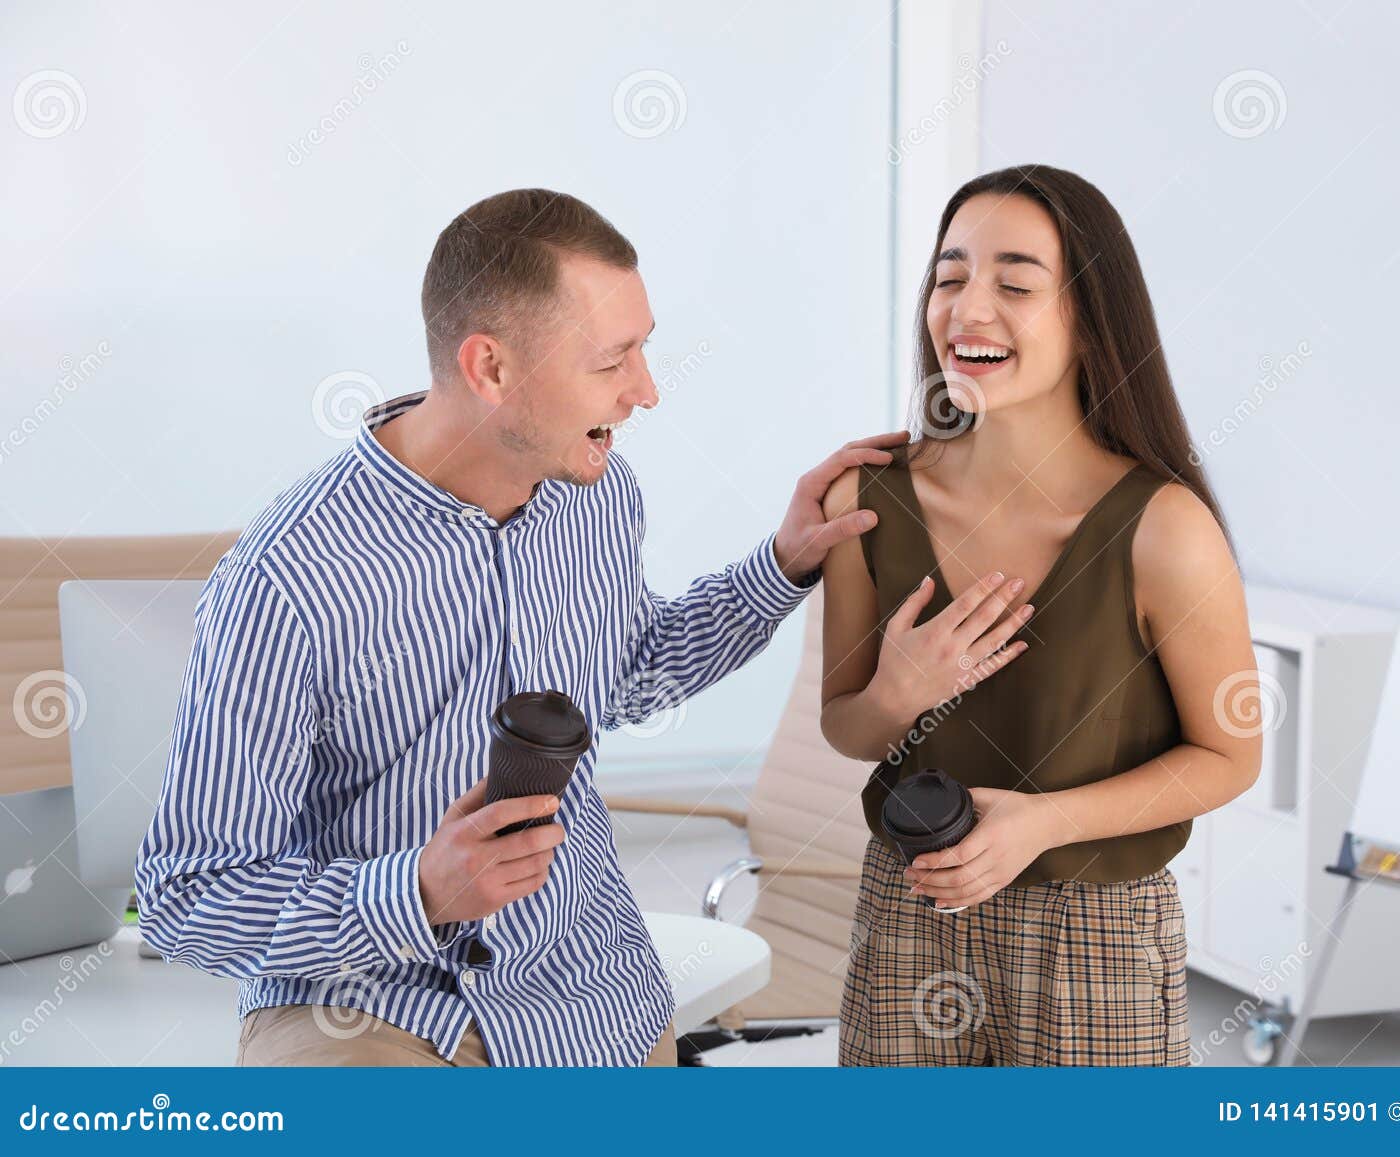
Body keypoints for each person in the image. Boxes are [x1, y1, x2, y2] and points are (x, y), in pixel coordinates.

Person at [135, 188, 904, 1067]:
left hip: (585, 995)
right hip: (371, 1008)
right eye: (614, 360)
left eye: (644, 349)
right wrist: (418, 892)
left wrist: (782, 564)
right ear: (491, 369)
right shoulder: (289, 578)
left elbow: (630, 672)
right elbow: (187, 894)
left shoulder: (598, 492)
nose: (647, 392)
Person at [818, 165, 1262, 1066]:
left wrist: (1044, 821)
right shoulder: (861, 500)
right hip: (910, 911)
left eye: (1014, 284)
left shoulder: (1164, 529)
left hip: (1095, 933)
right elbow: (848, 728)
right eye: (949, 278)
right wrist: (900, 692)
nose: (967, 308)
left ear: (1090, 322)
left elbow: (1230, 755)